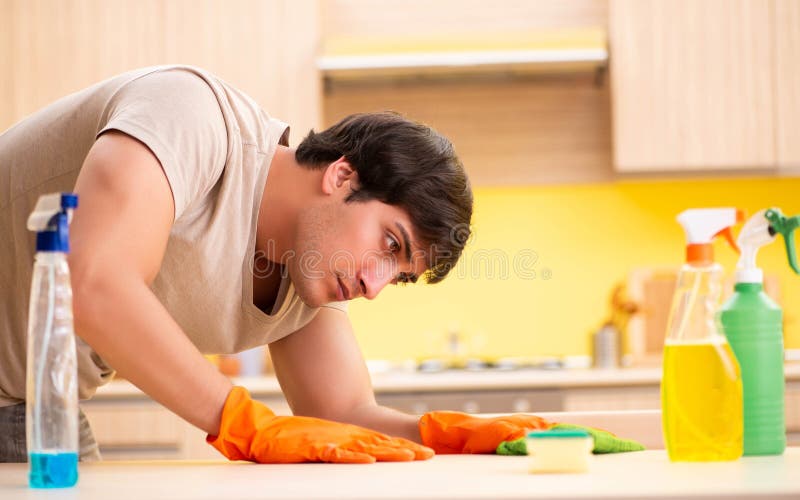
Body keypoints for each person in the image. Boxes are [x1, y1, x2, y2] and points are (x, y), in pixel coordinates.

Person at [0, 65, 548, 464]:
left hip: (31, 409)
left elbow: (343, 414)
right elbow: (96, 281)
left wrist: (440, 435)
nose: (374, 286)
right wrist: (243, 423)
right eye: (389, 245)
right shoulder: (191, 115)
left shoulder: (307, 270)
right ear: (342, 176)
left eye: (398, 276)